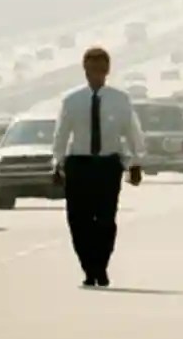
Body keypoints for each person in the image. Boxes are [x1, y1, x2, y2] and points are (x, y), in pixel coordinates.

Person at [52, 46, 145, 287]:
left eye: (100, 69)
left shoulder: (120, 100)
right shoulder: (72, 100)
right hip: (79, 165)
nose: (96, 74)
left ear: (107, 70)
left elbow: (132, 132)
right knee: (78, 221)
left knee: (105, 220)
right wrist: (57, 163)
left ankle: (101, 266)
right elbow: (61, 134)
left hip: (107, 165)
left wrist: (135, 163)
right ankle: (88, 267)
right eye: (92, 69)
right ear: (85, 70)